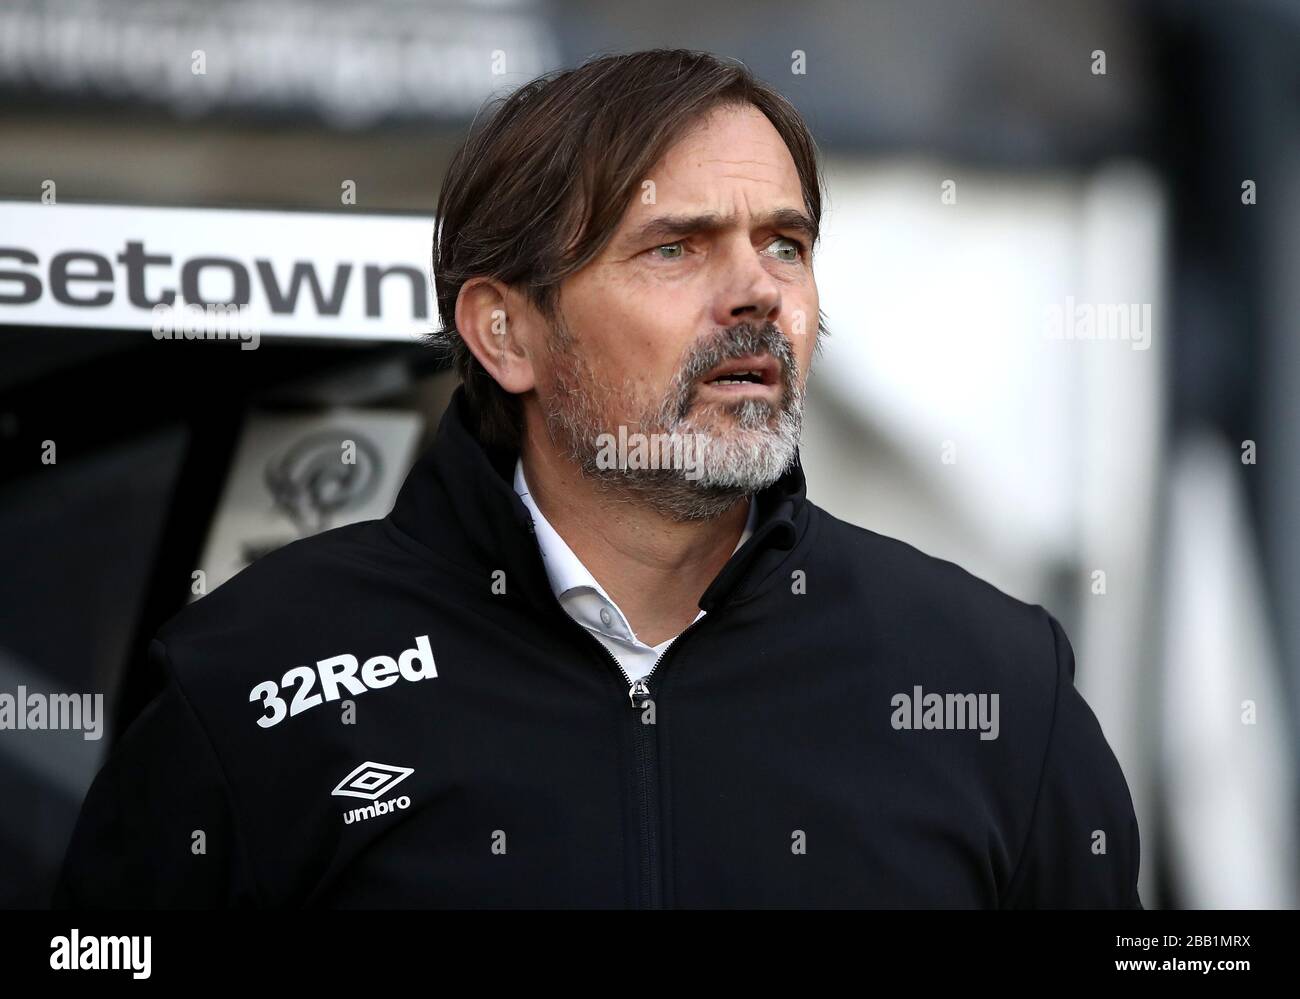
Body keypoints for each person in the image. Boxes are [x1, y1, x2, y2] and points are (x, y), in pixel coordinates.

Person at [54, 48, 1141, 909]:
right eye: (674, 248)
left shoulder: (994, 680)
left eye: (785, 244)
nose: (756, 292)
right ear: (505, 332)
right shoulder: (251, 679)